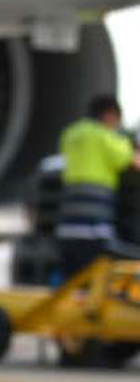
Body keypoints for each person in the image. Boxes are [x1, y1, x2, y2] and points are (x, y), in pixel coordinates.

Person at [56, 94, 139, 279]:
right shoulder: (104, 136)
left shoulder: (71, 133)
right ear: (109, 115)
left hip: (67, 223)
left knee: (71, 279)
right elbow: (129, 160)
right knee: (95, 276)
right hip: (93, 224)